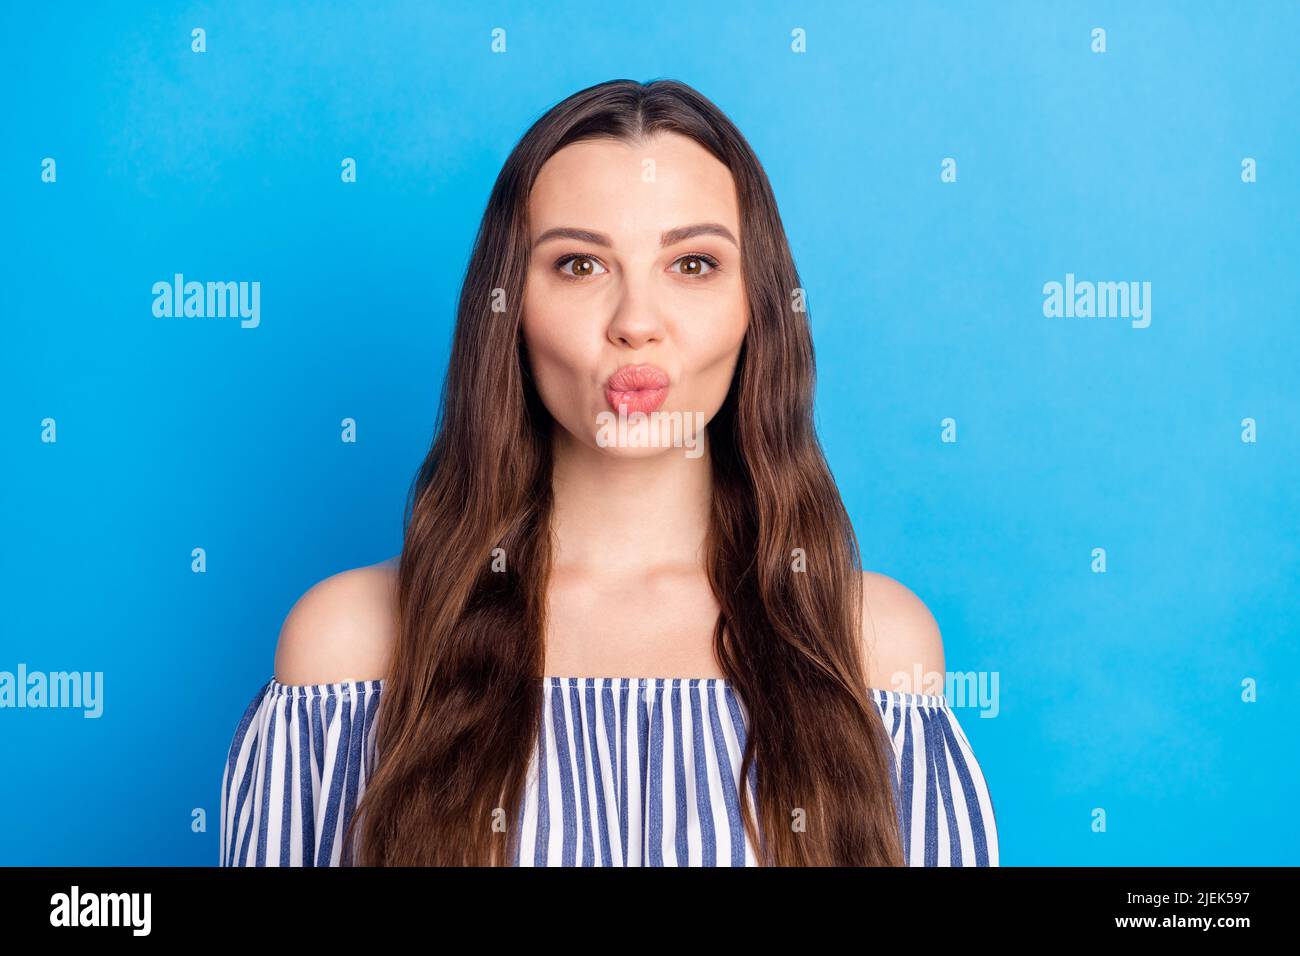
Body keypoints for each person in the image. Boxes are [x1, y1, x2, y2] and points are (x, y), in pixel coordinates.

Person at [220, 78, 999, 867]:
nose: (635, 323)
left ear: (757, 306)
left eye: (692, 264)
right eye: (579, 265)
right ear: (507, 310)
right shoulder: (350, 647)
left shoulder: (871, 649)